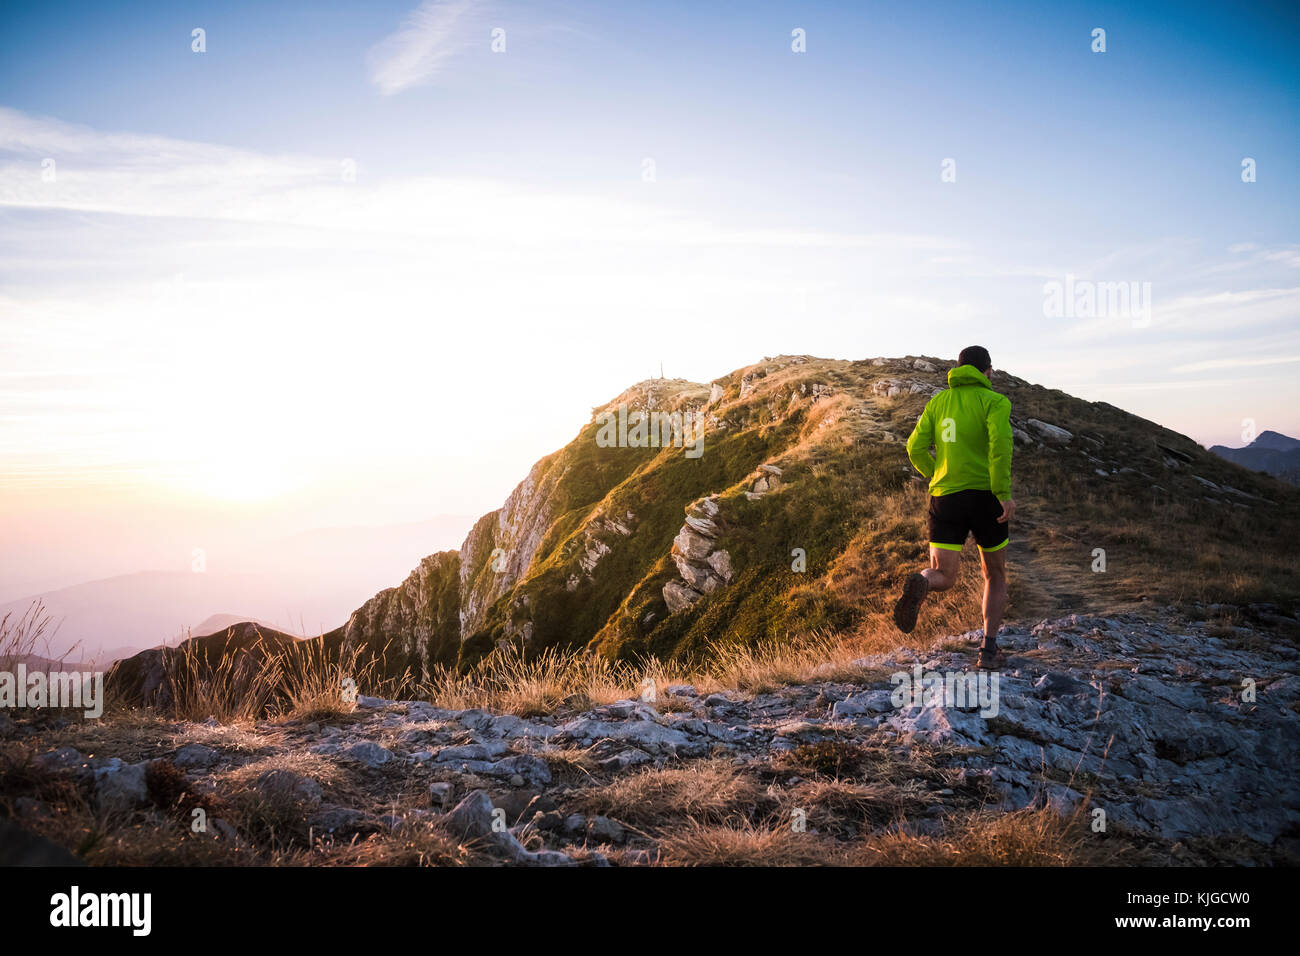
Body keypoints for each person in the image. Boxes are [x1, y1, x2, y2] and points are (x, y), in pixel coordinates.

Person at [893, 345, 1015, 669]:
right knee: (995, 574)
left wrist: (937, 473)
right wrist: (1003, 492)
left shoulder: (938, 402)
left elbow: (914, 447)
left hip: (946, 498)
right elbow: (1000, 446)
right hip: (986, 497)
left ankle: (923, 581)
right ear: (988, 371)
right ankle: (988, 650)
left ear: (957, 370)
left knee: (944, 576)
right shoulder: (995, 402)